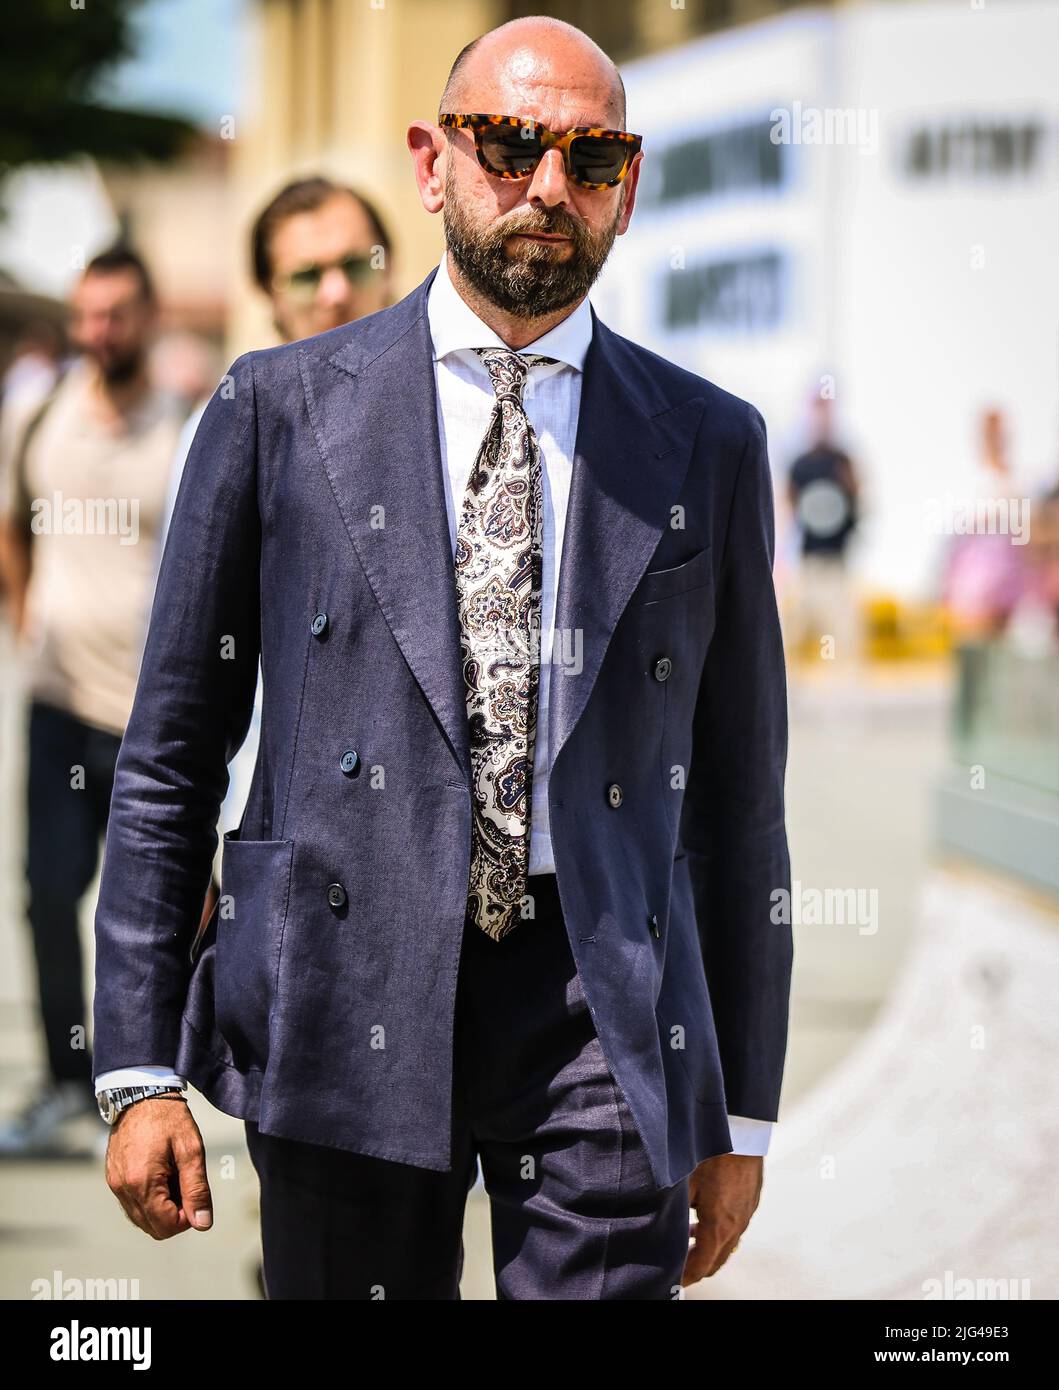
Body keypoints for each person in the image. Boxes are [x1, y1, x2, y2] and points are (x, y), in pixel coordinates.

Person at [93, 16, 793, 1299]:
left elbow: (741, 800)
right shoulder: (276, 407)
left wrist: (740, 1107)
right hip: (342, 984)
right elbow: (171, 753)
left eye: (592, 157)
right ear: (432, 162)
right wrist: (138, 1065)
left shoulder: (709, 443)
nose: (549, 186)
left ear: (628, 186)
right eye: (511, 145)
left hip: (599, 1004)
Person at [0, 245, 191, 1155]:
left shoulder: (180, 429)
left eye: (113, 314)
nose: (96, 331)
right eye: (85, 314)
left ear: (146, 318)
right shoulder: (37, 416)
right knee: (47, 893)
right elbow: (11, 522)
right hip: (57, 702)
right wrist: (27, 614)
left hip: (149, 718)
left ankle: (164, 1076)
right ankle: (67, 1083)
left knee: (159, 904)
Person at [786, 395, 861, 664]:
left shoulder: (842, 461)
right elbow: (789, 506)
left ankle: (845, 683)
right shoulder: (801, 464)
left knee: (845, 635)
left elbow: (858, 501)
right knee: (791, 634)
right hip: (809, 562)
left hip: (837, 562)